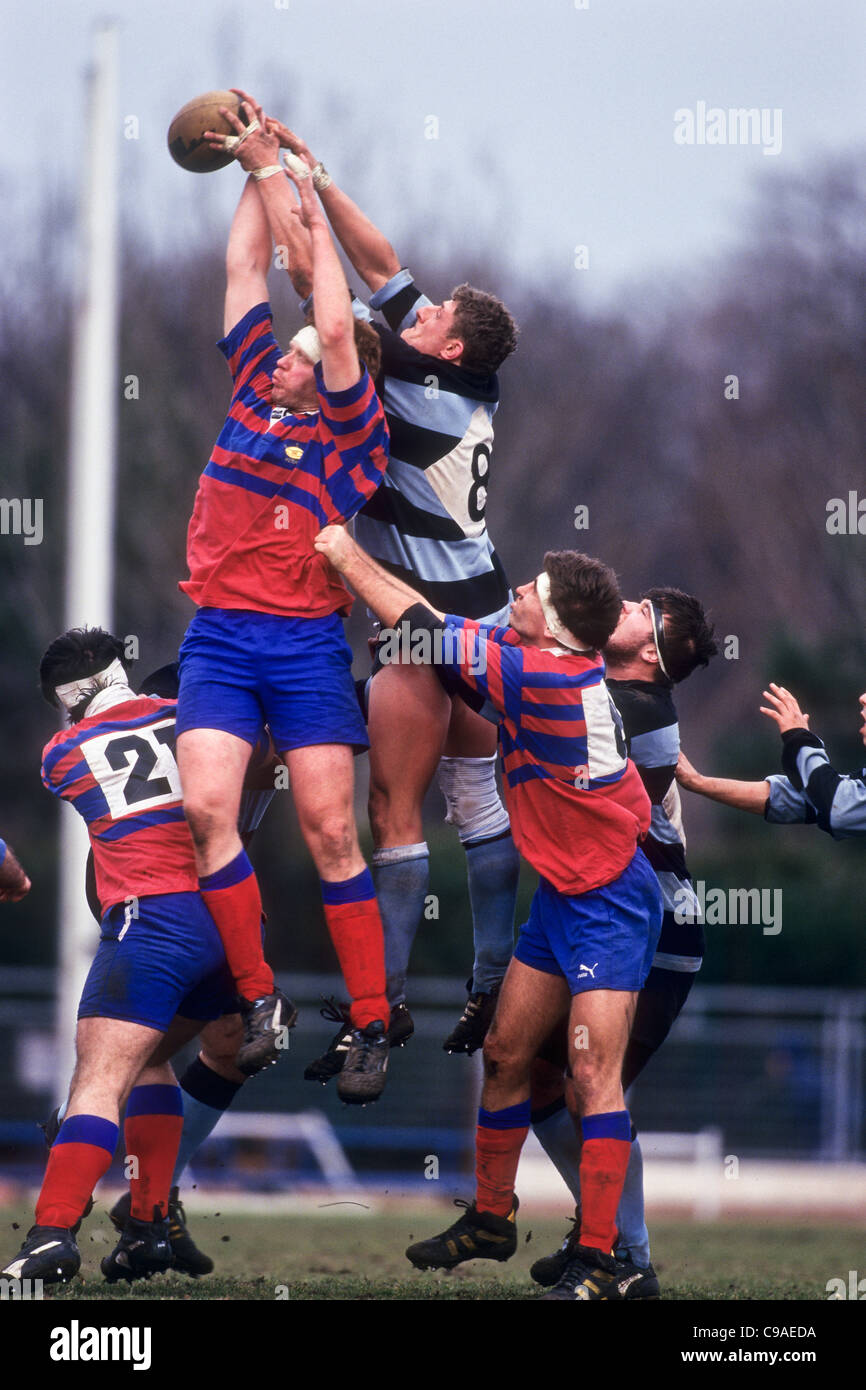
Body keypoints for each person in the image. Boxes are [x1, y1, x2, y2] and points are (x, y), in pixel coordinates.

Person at [313, 524, 662, 1301]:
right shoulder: (541, 660)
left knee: (591, 1078)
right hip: (565, 897)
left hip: (611, 902)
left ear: (561, 629)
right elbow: (441, 628)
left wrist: (343, 553)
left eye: (532, 592)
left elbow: (425, 631)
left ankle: (608, 1264)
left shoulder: (544, 680)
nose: (519, 591)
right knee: (504, 1056)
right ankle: (494, 1217)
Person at [258, 106, 522, 1061]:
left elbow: (326, 290)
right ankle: (491, 984)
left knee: (393, 814)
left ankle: (386, 1006)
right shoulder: (471, 379)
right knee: (479, 798)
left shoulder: (409, 375)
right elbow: (384, 263)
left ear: (445, 346)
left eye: (438, 313)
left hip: (420, 621)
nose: (423, 309)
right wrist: (321, 176)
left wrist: (277, 185)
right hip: (489, 610)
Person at [176, 95, 392, 1102]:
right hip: (219, 636)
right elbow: (239, 270)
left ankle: (374, 1023)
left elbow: (339, 316)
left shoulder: (355, 434)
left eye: (309, 352)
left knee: (328, 831)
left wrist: (287, 177)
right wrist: (249, 171)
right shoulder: (252, 383)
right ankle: (259, 999)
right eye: (295, 346)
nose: (295, 353)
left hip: (304, 642)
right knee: (204, 809)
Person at [1, 629, 245, 1286]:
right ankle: (149, 1224)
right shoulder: (191, 719)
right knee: (152, 1062)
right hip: (229, 918)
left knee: (99, 1081)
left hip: (151, 922)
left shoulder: (61, 754)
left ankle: (53, 1232)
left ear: (65, 700)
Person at [526, 589, 718, 1298]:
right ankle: (601, 1233)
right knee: (543, 1078)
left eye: (644, 608)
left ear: (650, 652)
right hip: (603, 914)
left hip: (656, 926)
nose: (629, 601)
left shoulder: (638, 712)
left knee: (591, 1086)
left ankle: (622, 1257)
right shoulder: (604, 690)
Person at [677, 682, 866, 835]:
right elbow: (795, 799)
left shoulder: (842, 802)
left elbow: (839, 807)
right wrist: (698, 782)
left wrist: (800, 739)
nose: (862, 698)